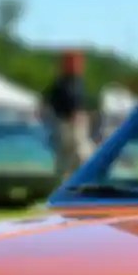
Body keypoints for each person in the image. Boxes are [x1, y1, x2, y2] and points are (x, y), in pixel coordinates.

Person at [45, 50, 92, 182]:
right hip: (65, 124)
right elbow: (50, 103)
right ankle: (64, 186)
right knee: (66, 158)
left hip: (79, 123)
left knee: (83, 155)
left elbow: (83, 102)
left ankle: (79, 183)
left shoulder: (79, 83)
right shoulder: (60, 84)